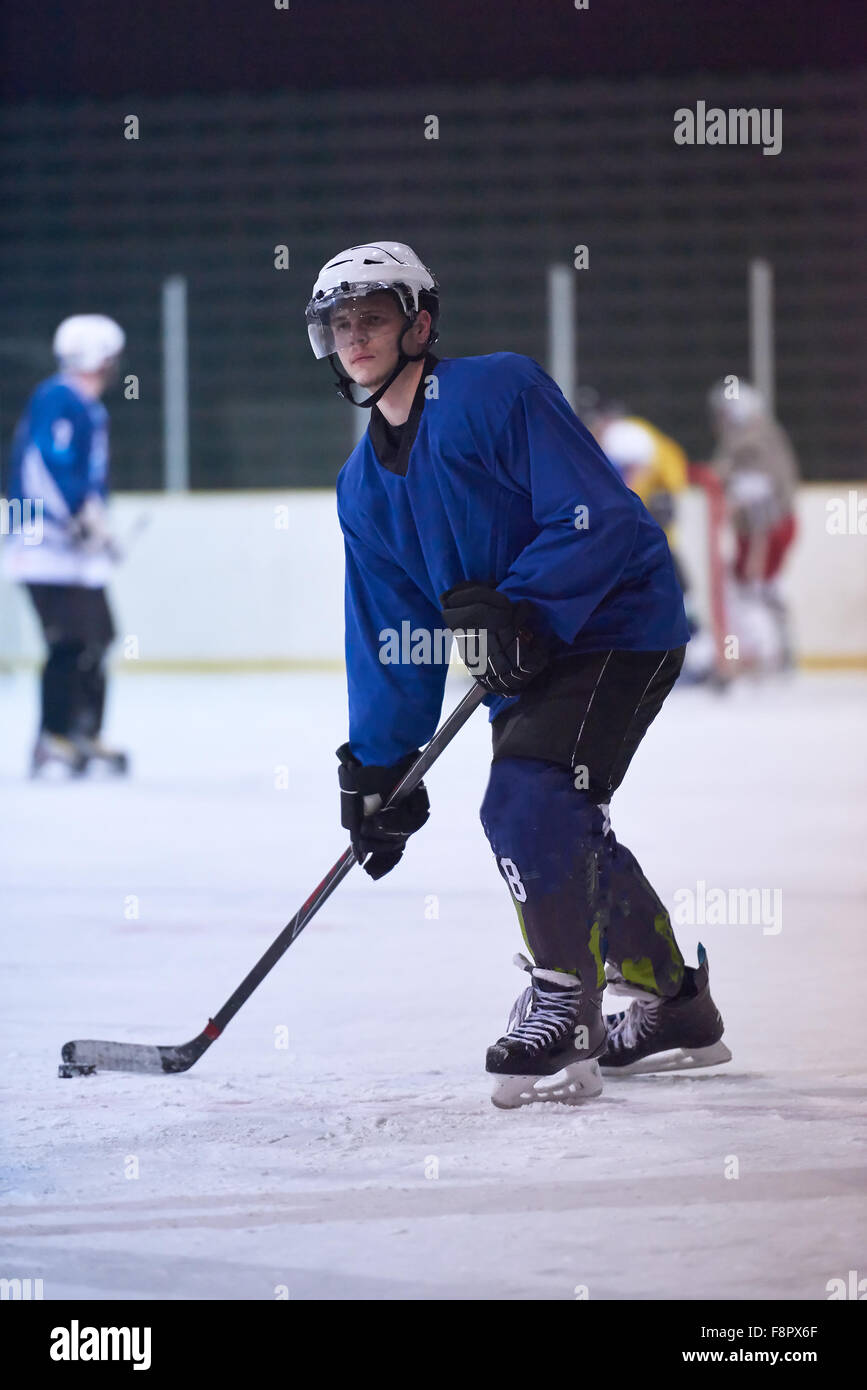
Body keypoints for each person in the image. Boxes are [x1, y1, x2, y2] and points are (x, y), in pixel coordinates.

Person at [306, 242, 730, 1108]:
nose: (356, 337)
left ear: (418, 324)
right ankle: (673, 1004)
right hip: (528, 653)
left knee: (524, 799)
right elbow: (393, 632)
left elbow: (602, 515)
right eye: (340, 323)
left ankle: (565, 1007)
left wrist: (525, 604)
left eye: (374, 318)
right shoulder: (360, 487)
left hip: (613, 624)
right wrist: (383, 766)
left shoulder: (494, 389)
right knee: (557, 817)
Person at [3, 314, 128, 776]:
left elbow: (84, 476)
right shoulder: (58, 398)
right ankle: (53, 737)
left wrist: (94, 523)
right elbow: (46, 467)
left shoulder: (88, 407)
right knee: (68, 641)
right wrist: (78, 517)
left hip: (72, 549)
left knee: (98, 637)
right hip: (42, 547)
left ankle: (84, 731)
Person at [708, 381, 799, 672]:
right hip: (766, 525)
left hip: (766, 527)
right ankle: (777, 653)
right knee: (764, 587)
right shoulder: (760, 434)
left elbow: (760, 491)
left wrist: (756, 551)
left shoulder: (754, 438)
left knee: (752, 587)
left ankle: (762, 654)